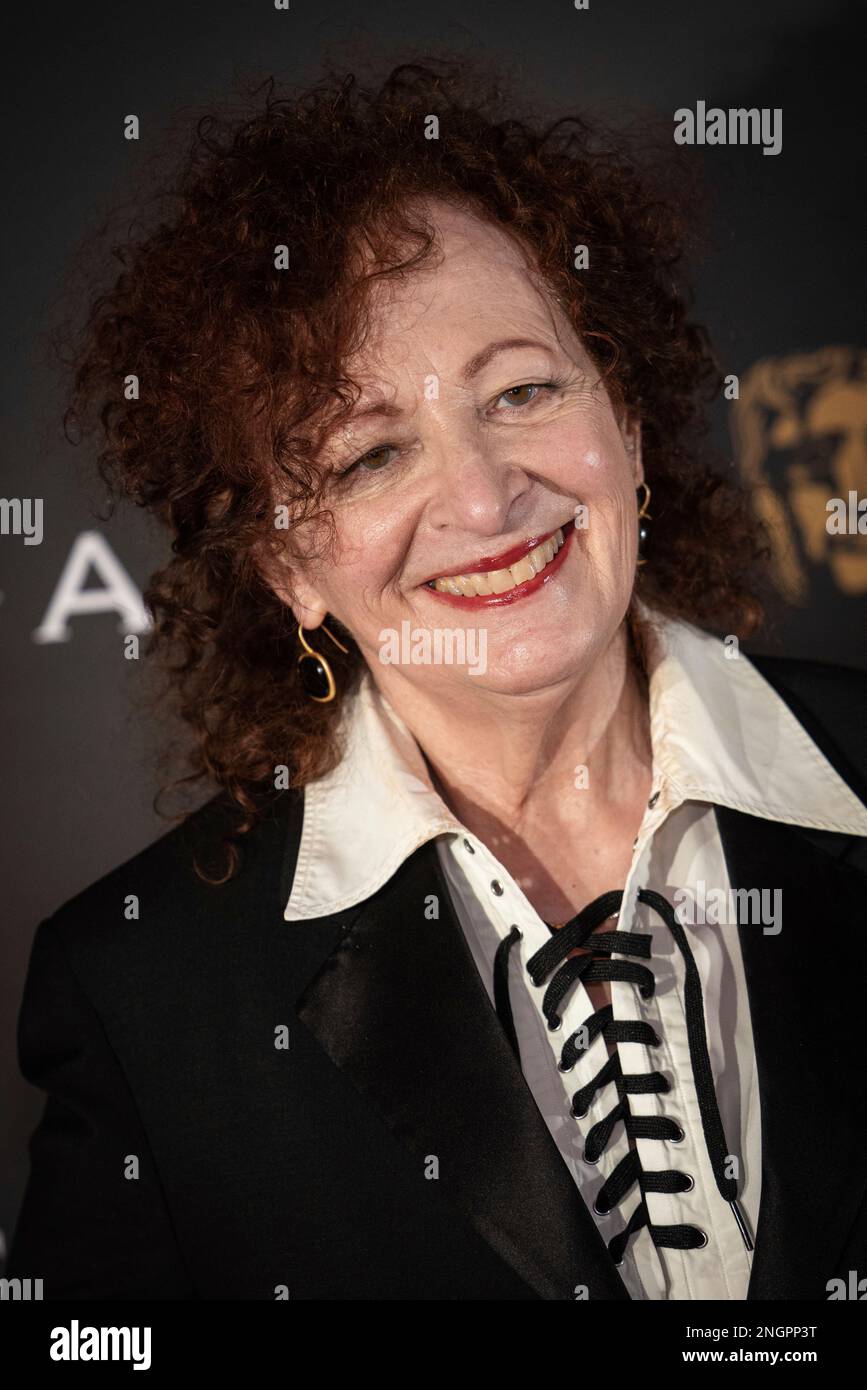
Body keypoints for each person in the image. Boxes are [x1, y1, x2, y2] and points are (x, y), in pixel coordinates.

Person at [9, 61, 867, 1301]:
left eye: (522, 390)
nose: (481, 497)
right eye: (368, 456)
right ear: (288, 564)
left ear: (625, 427)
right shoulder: (147, 995)